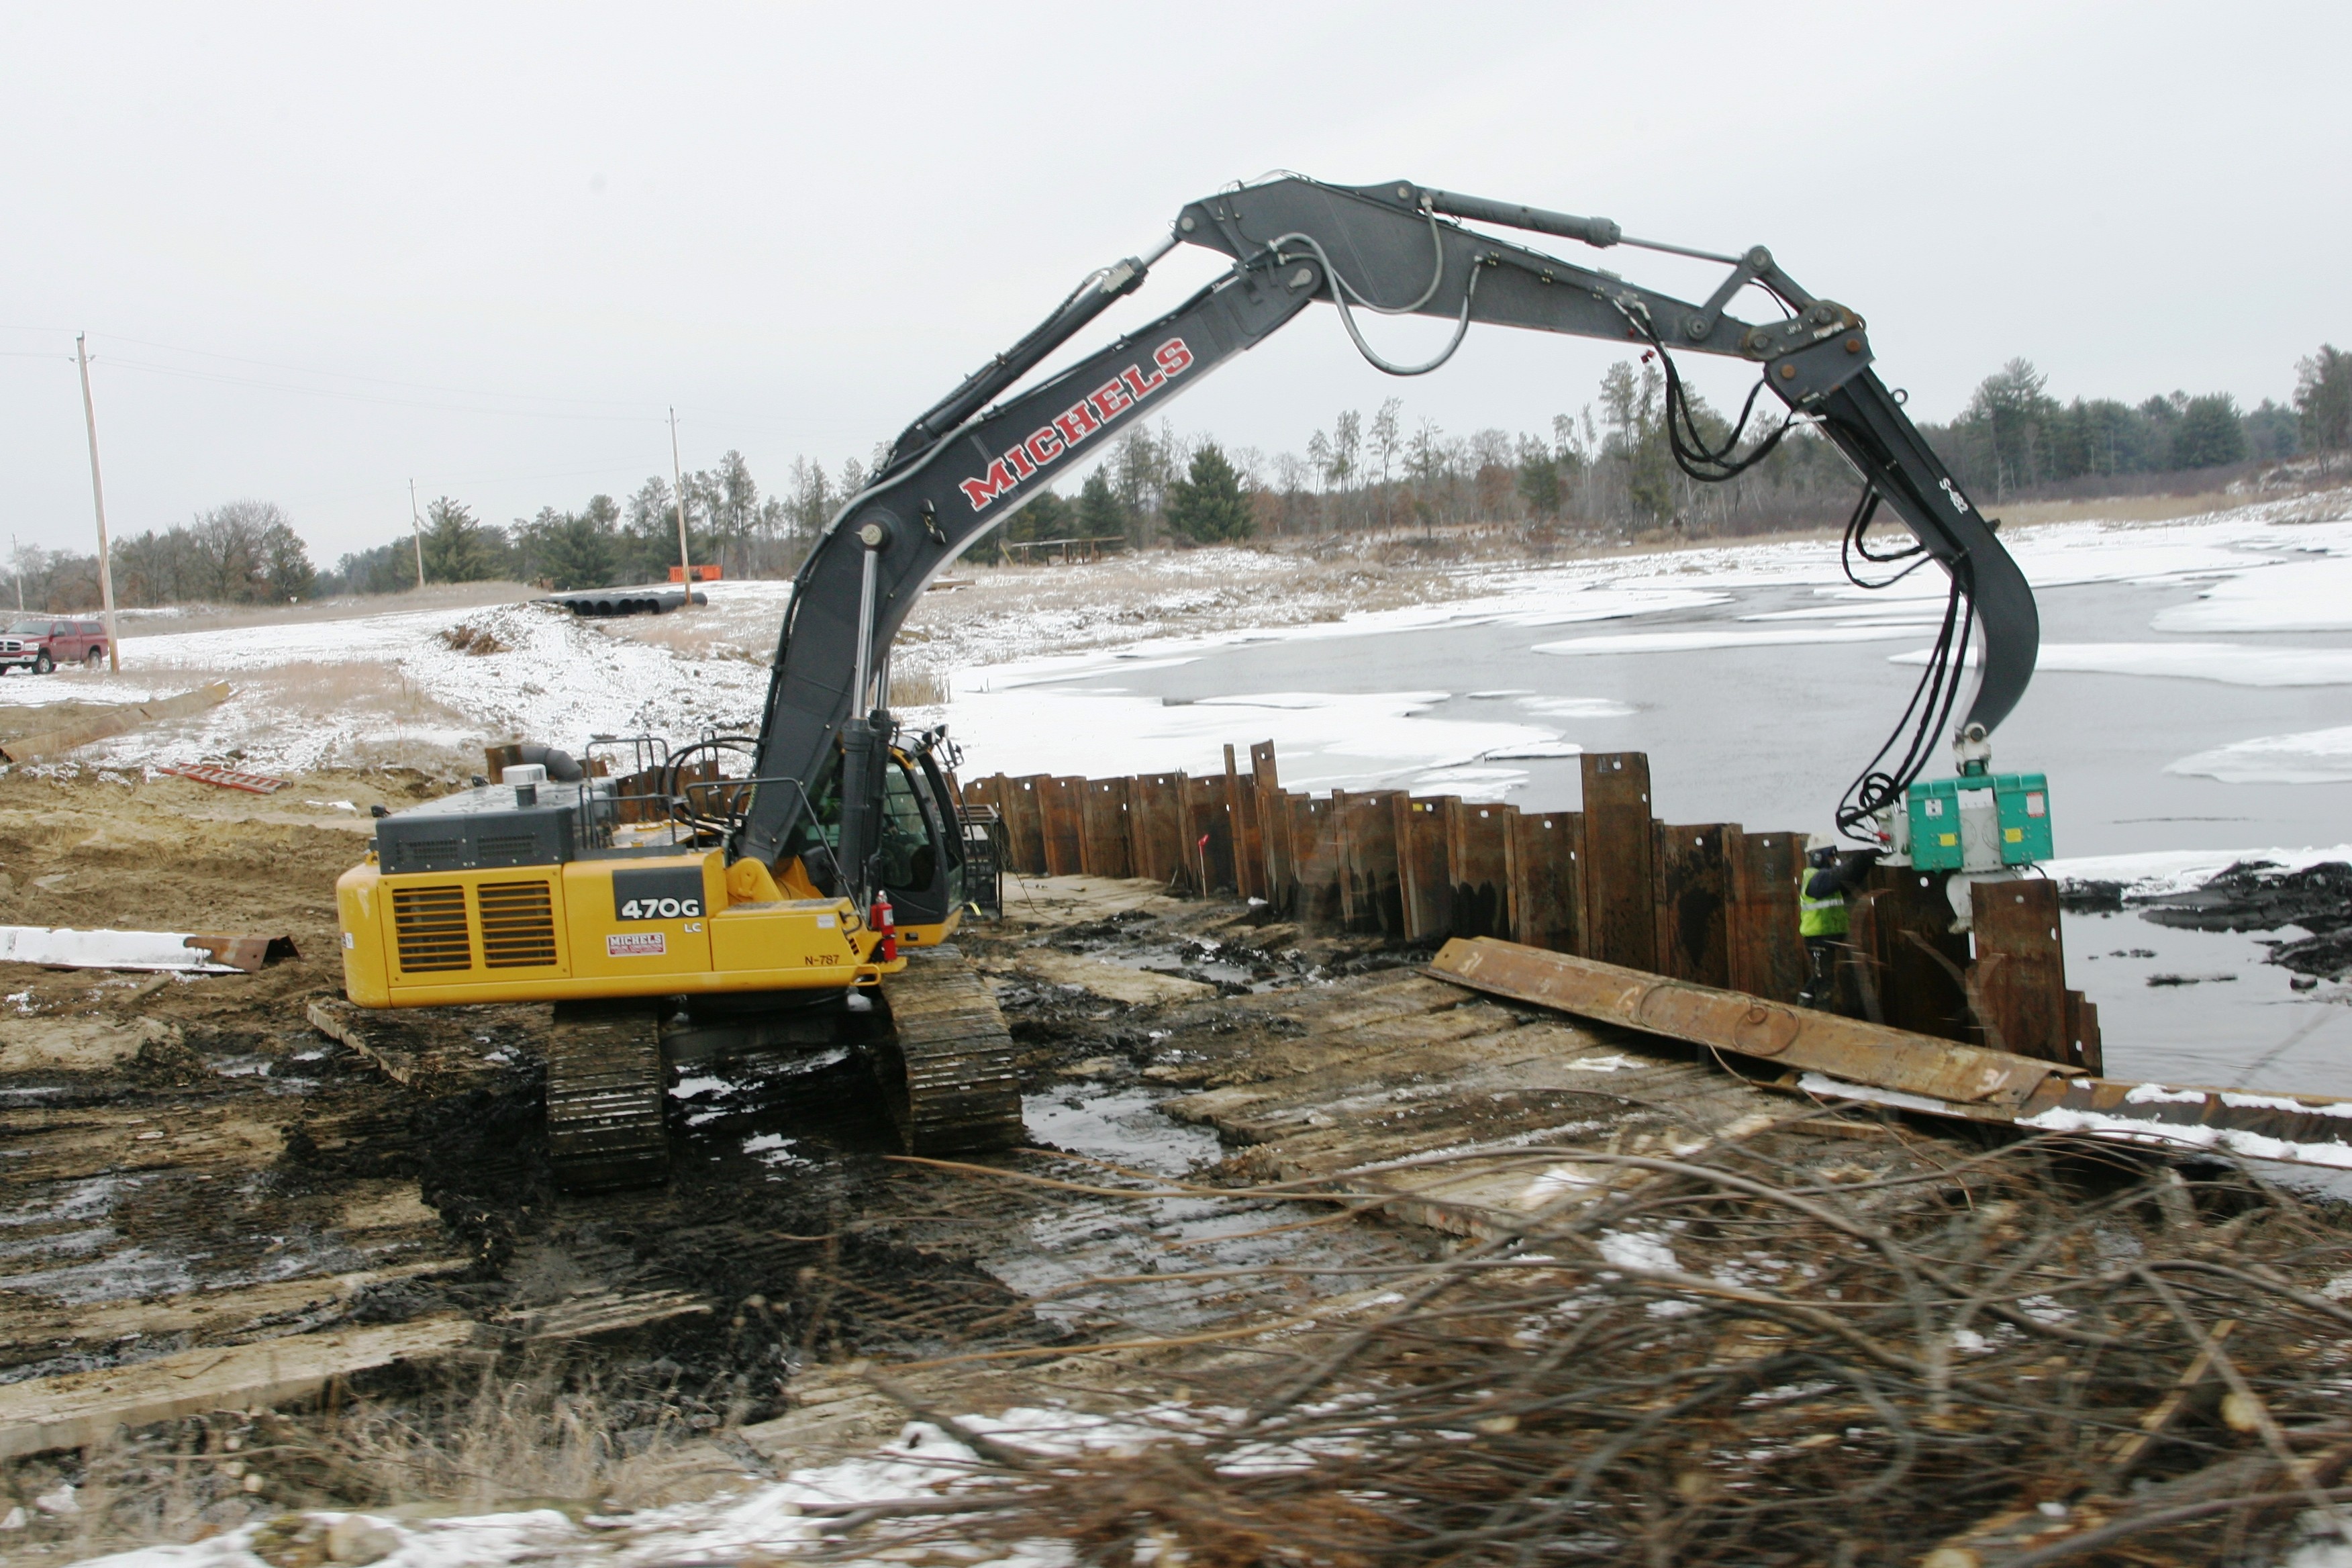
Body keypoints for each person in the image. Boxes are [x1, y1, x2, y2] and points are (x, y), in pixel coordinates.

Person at [1796, 838, 1878, 1010]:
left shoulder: (1826, 881)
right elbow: (1839, 876)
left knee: (1820, 978)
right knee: (1824, 980)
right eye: (1831, 855)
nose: (1834, 859)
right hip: (1818, 940)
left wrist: (1865, 865)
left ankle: (1805, 1009)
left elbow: (1848, 883)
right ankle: (1818, 1017)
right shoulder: (1816, 879)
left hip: (1826, 939)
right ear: (1819, 856)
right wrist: (1862, 858)